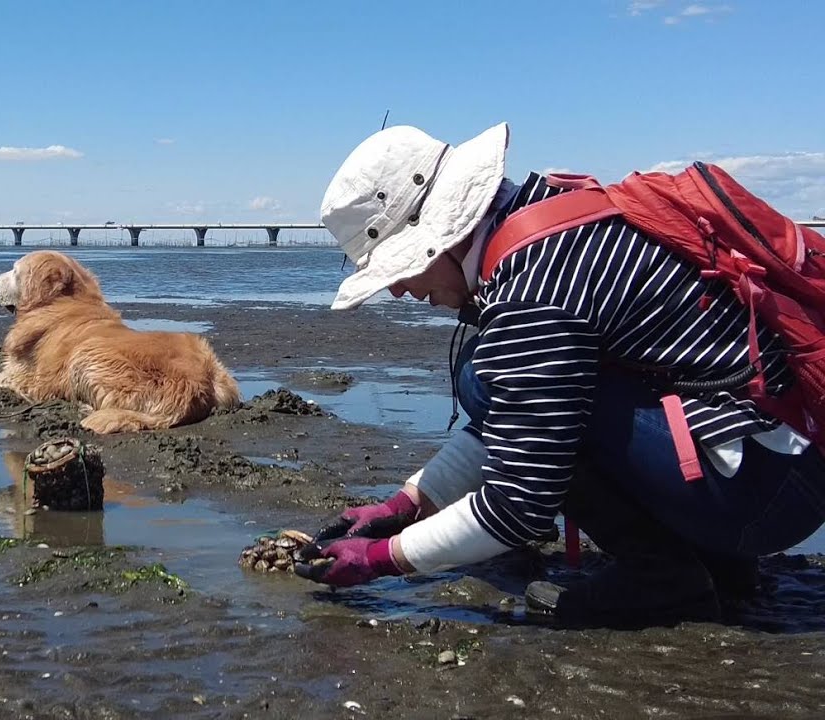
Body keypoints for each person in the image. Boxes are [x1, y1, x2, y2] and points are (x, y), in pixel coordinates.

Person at [294, 121, 825, 628]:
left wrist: (383, 559)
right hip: (786, 458)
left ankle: (661, 575)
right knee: (502, 379)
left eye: (397, 270)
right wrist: (407, 504)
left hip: (764, 494)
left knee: (481, 374)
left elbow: (518, 505)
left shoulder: (529, 292)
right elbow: (528, 409)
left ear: (437, 236)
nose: (399, 291)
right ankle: (719, 562)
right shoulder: (555, 215)